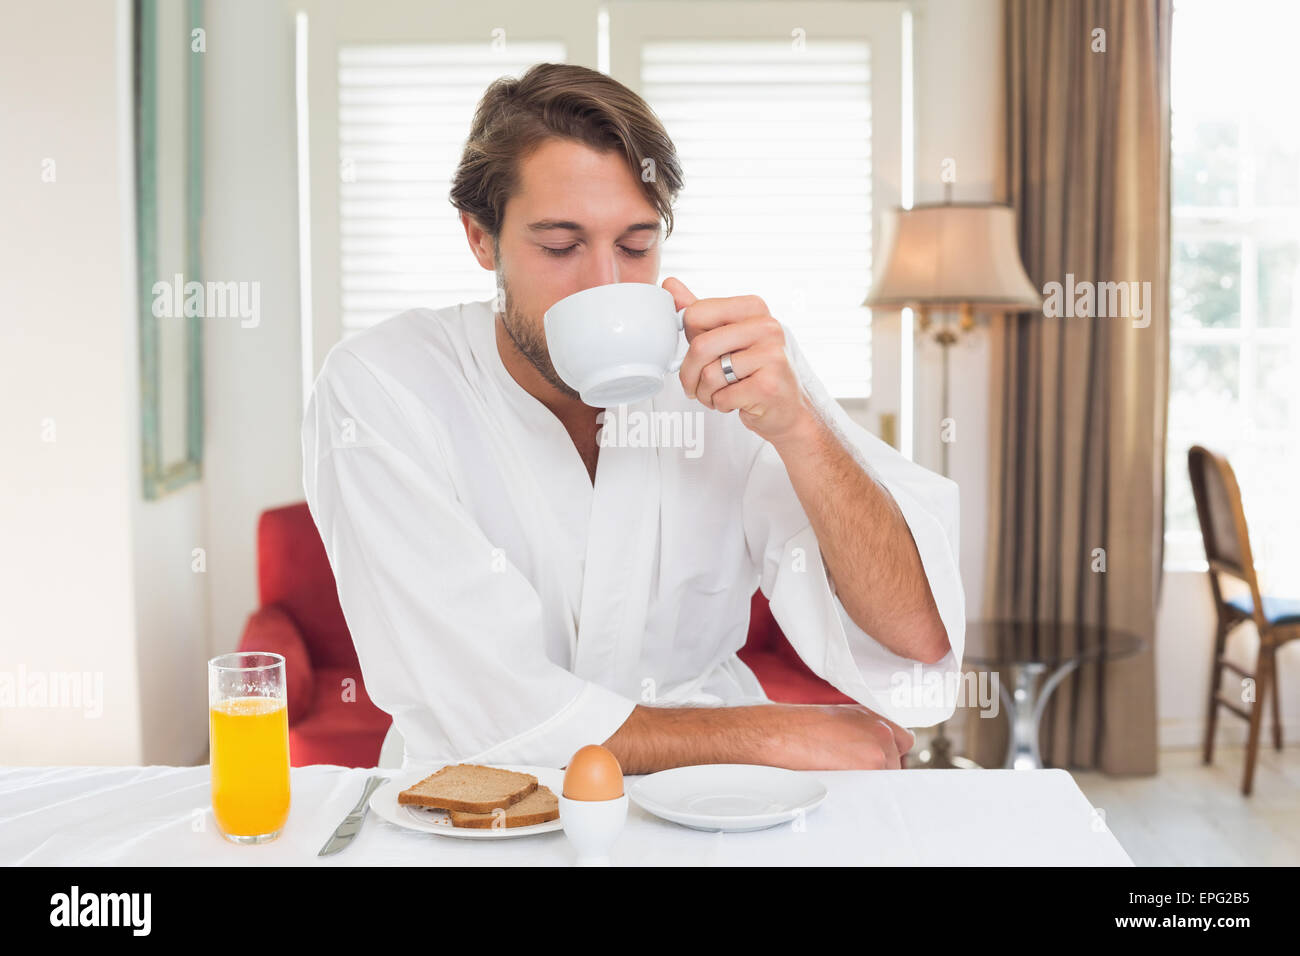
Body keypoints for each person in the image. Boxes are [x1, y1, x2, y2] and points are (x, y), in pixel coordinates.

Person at [302, 63, 965, 774]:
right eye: (560, 246)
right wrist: (766, 736)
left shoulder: (733, 371)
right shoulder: (383, 387)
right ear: (480, 238)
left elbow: (917, 640)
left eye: (635, 245)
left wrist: (799, 429)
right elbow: (483, 708)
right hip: (481, 810)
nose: (606, 284)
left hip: (705, 809)